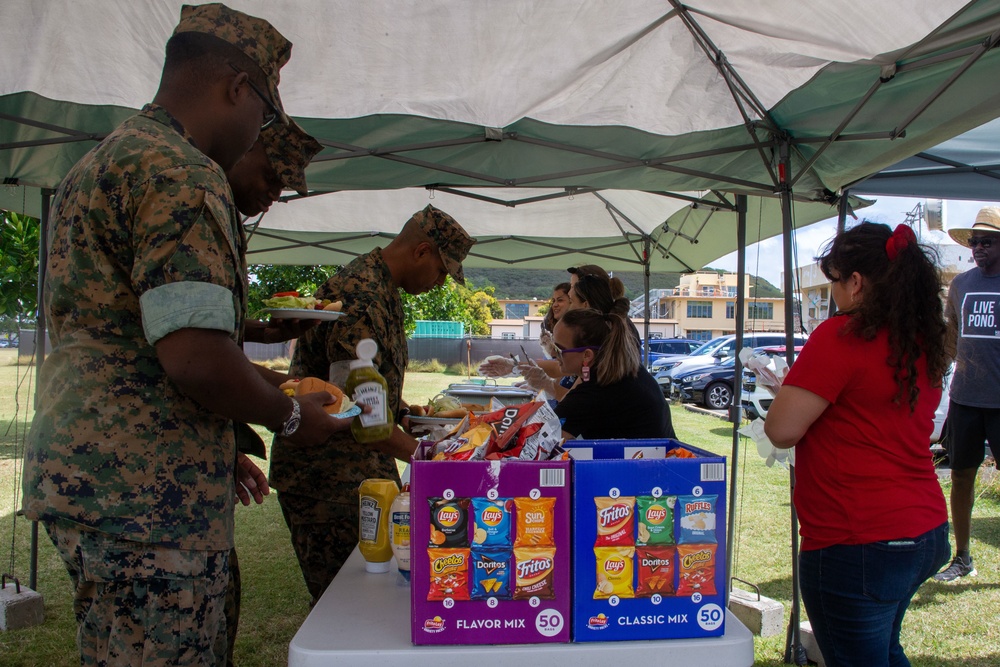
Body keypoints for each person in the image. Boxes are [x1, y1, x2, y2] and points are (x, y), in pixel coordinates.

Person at [20, 5, 351, 665]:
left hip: (89, 479)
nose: (258, 129)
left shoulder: (103, 160)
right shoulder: (184, 173)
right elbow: (196, 359)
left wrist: (221, 429)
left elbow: (127, 323)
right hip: (147, 502)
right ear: (238, 87)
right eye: (263, 114)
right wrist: (290, 418)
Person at [269, 204, 475, 605]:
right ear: (421, 251)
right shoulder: (362, 296)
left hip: (355, 473)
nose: (439, 284)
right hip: (329, 479)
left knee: (372, 597)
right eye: (441, 271)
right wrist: (428, 458)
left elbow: (362, 382)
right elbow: (357, 412)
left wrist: (401, 410)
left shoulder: (378, 286)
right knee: (347, 603)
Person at [764, 222, 950, 666]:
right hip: (923, 527)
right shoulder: (920, 340)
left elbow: (781, 430)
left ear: (856, 281)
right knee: (884, 650)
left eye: (833, 281)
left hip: (856, 539)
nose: (833, 293)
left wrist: (790, 392)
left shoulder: (840, 335)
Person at [223, 117, 323, 667]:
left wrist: (259, 334)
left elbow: (196, 335)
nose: (275, 195)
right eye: (272, 174)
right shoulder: (180, 186)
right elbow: (195, 356)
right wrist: (290, 415)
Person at [933, 206, 1000, 582]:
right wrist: (935, 373)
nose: (978, 248)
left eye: (987, 241)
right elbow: (951, 339)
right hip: (965, 398)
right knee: (960, 476)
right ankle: (962, 558)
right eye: (974, 241)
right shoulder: (961, 285)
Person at [552, 308, 675, 440]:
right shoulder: (627, 372)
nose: (553, 354)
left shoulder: (597, 392)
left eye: (558, 349)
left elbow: (544, 438)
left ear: (587, 355)